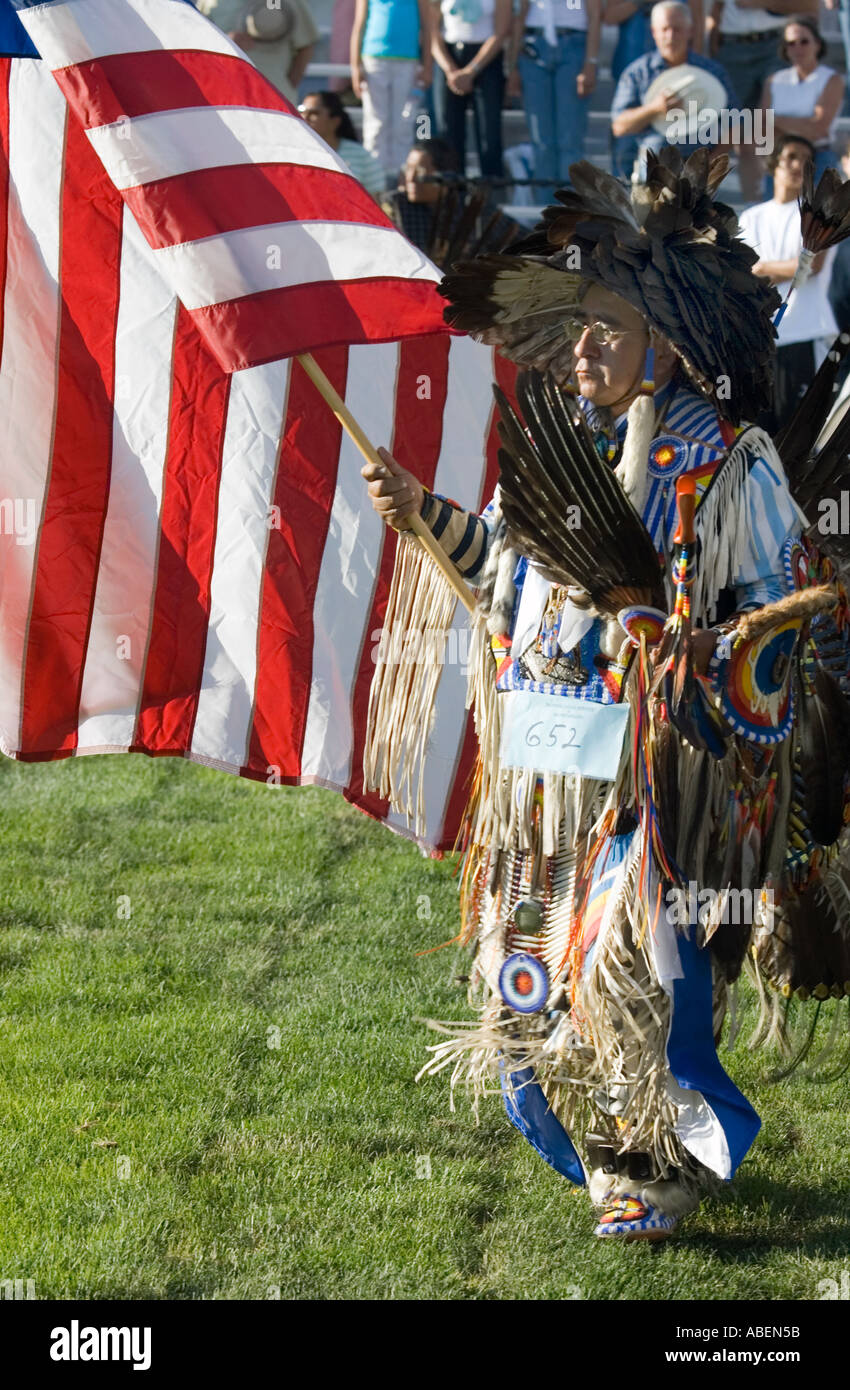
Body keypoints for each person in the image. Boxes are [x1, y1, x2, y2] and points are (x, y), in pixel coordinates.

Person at [360, 147, 843, 1241]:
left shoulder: (724, 464)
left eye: (607, 327)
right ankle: (594, 1146)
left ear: (663, 350)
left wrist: (695, 659)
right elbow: (507, 581)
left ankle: (650, 1166)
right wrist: (424, 513)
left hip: (659, 781)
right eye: (577, 324)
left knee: (634, 971)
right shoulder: (554, 452)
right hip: (546, 766)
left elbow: (784, 611)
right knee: (526, 969)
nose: (583, 345)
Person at [739, 134, 839, 433]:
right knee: (757, 436)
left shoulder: (820, 215)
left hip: (803, 339)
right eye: (792, 157)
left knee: (798, 439)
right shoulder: (750, 217)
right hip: (759, 345)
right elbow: (739, 277)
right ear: (774, 163)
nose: (799, 166)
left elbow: (809, 267)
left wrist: (763, 268)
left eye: (807, 162)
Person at [706, 0, 818, 203]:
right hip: (731, 46)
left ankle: (784, 203)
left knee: (774, 128)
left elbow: (812, 6)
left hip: (776, 44)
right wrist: (712, 40)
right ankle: (754, 210)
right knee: (741, 137)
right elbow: (717, 7)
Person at [611, 1, 734, 180]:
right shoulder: (638, 73)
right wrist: (653, 109)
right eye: (665, 29)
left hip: (699, 165)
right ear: (654, 32)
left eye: (677, 29)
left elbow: (736, 124)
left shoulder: (713, 72)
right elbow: (619, 126)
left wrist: (711, 167)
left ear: (690, 31)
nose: (671, 36)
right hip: (654, 167)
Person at [513, 0, 602, 203]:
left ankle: (569, 211)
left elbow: (595, 14)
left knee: (569, 138)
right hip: (533, 44)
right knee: (541, 141)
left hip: (574, 42)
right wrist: (512, 66)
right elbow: (520, 12)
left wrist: (591, 62)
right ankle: (546, 213)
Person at [350, 0, 434, 185]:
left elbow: (427, 27)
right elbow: (359, 24)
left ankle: (402, 179)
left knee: (403, 123)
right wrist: (356, 66)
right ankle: (373, 182)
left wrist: (428, 65)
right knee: (376, 123)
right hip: (374, 59)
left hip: (408, 60)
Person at [430, 0, 514, 179]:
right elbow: (432, 32)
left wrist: (471, 71)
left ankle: (490, 196)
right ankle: (453, 197)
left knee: (488, 135)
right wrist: (450, 70)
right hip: (449, 59)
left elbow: (501, 31)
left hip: (486, 61)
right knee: (449, 133)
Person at [760, 17, 844, 189]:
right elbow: (761, 128)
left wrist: (776, 120)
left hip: (818, 158)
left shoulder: (832, 79)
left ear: (817, 44)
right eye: (791, 43)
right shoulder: (774, 80)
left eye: (804, 41)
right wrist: (804, 123)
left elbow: (819, 128)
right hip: (781, 160)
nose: (797, 47)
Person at [195, 0, 318, 106]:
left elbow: (306, 46)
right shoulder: (210, 2)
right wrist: (224, 42)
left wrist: (288, 87)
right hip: (224, 98)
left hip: (275, 100)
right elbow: (195, 44)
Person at [298, 91, 387, 197]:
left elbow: (377, 199)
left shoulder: (361, 156)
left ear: (335, 121)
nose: (304, 118)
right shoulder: (293, 154)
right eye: (301, 111)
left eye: (314, 113)